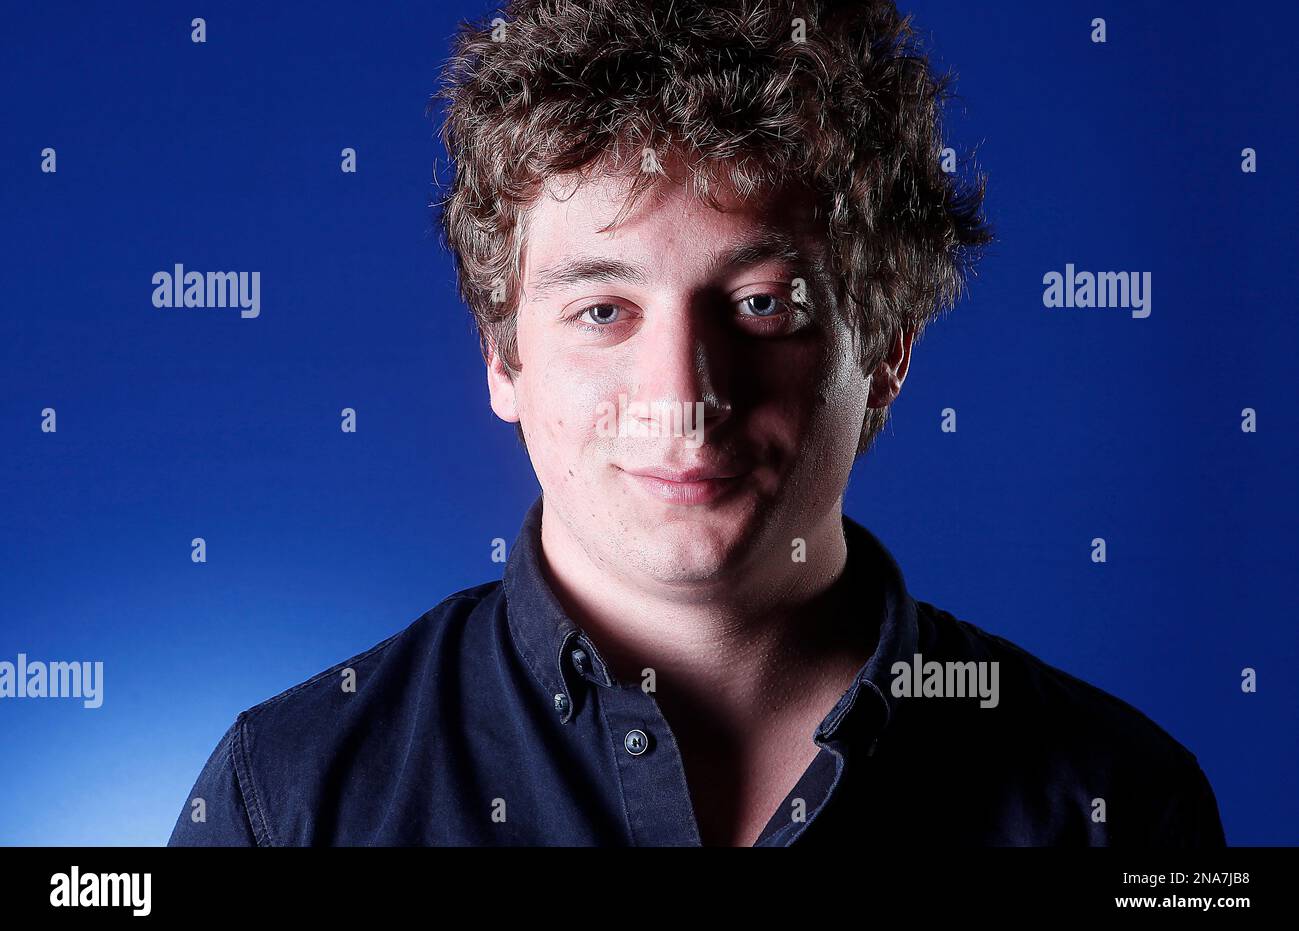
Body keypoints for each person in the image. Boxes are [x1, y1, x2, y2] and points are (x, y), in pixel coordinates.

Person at [168, 0, 1225, 847]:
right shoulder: (291, 801)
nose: (680, 394)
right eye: (602, 311)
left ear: (888, 350)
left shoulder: (1114, 804)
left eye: (762, 304)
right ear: (504, 358)